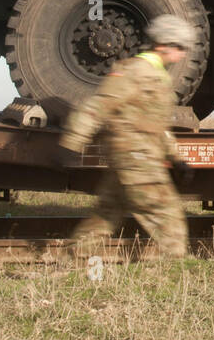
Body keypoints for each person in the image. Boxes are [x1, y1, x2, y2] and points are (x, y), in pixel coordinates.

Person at [56, 15, 196, 258]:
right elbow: (100, 105)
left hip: (134, 157)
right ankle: (178, 270)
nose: (183, 54)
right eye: (179, 47)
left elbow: (155, 124)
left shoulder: (156, 74)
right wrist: (73, 141)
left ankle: (72, 259)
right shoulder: (136, 71)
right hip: (136, 157)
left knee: (106, 214)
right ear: (163, 44)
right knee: (168, 216)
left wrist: (176, 158)